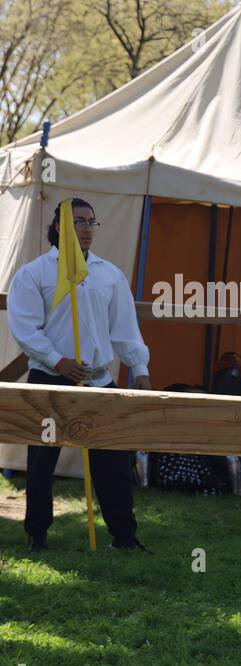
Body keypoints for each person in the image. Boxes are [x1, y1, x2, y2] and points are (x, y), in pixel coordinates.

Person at [7, 198, 151, 552]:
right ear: (59, 227)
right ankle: (37, 535)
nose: (86, 229)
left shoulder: (109, 274)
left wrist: (140, 366)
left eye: (91, 222)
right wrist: (58, 361)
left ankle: (124, 537)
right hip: (51, 381)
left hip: (98, 381)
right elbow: (25, 327)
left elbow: (124, 328)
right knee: (42, 461)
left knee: (113, 461)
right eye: (78, 222)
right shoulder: (35, 273)